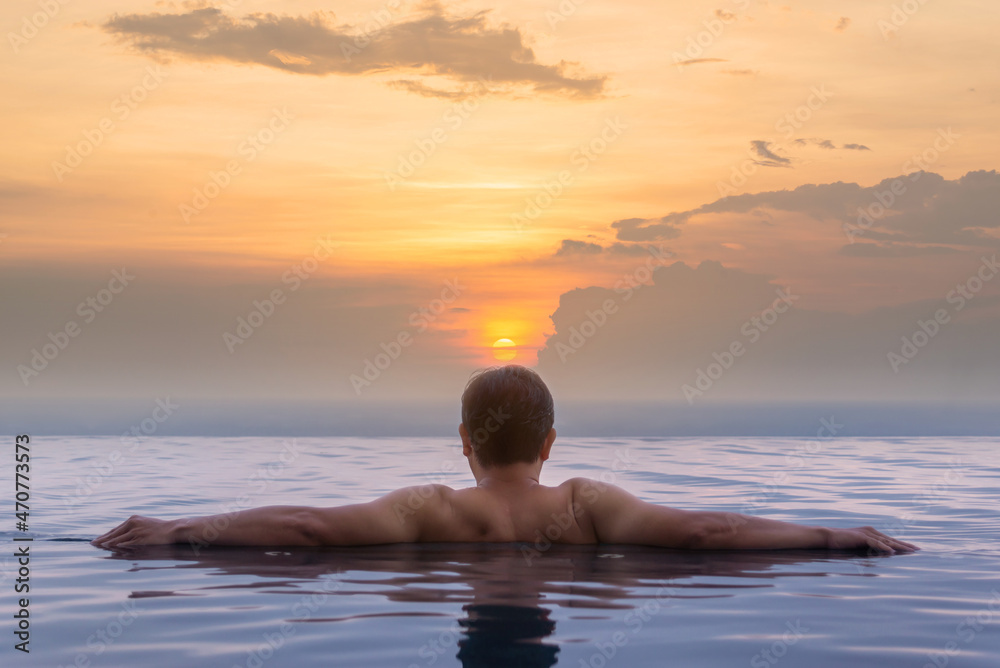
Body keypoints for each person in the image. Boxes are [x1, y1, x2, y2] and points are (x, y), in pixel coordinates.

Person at [92, 365, 918, 554]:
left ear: (463, 443)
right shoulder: (586, 504)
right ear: (550, 444)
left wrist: (179, 530)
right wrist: (834, 537)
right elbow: (705, 535)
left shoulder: (433, 510)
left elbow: (306, 529)